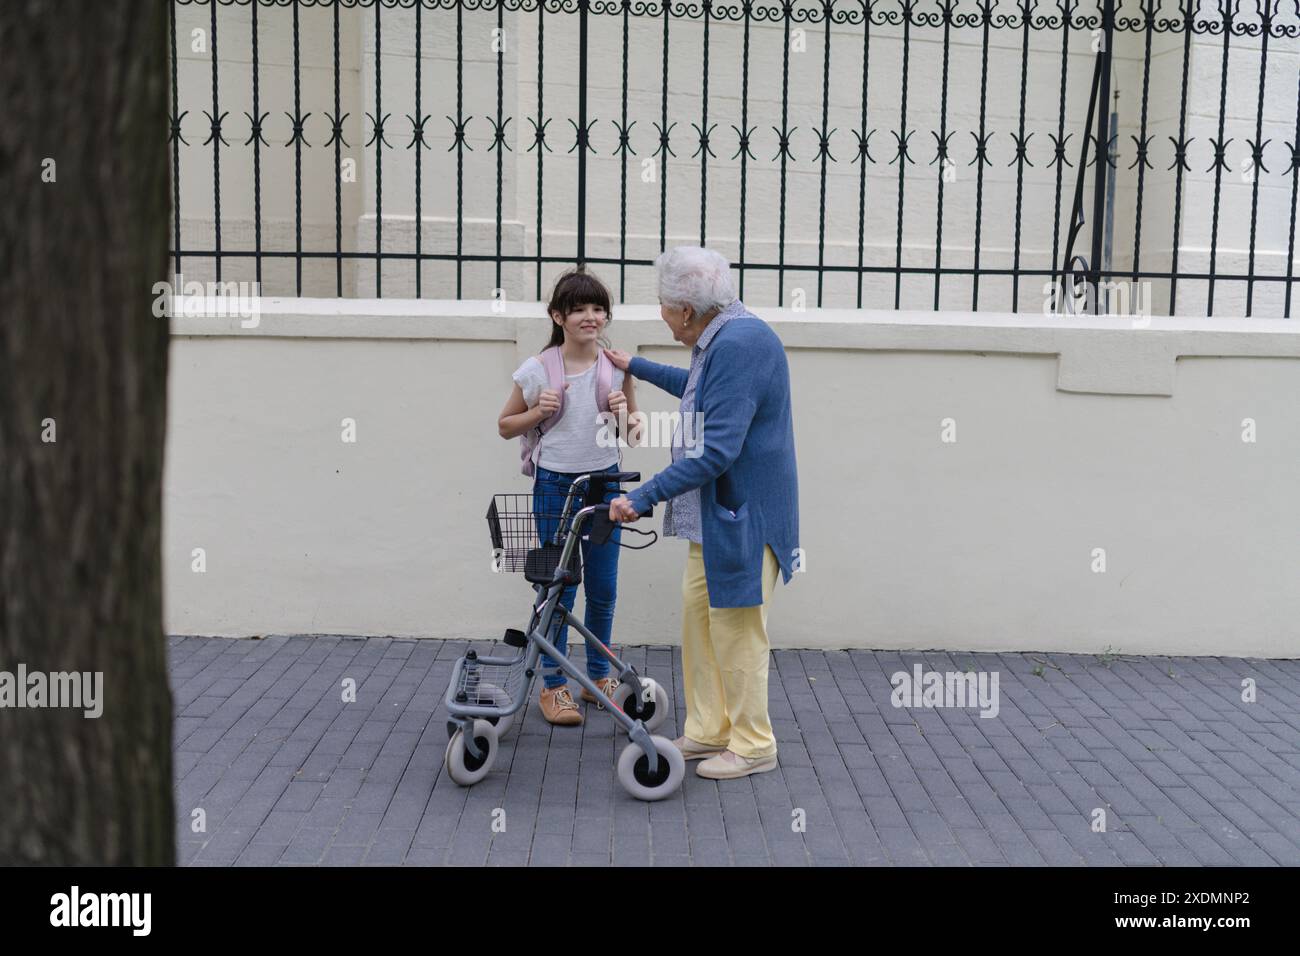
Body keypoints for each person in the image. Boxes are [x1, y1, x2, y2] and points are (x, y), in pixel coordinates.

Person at [605, 245, 799, 780]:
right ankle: (710, 729)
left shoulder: (741, 344)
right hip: (710, 519)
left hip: (743, 517)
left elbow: (717, 451)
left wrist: (642, 498)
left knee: (736, 631)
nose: (664, 319)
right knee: (700, 622)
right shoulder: (719, 336)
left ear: (686, 311)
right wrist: (635, 366)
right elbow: (698, 393)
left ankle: (754, 744)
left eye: (664, 308)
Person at [497, 267, 639, 726]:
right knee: (558, 589)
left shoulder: (617, 367)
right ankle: (554, 687)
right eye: (579, 309)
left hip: (605, 486)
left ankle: (598, 678)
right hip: (555, 487)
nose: (590, 317)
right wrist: (538, 410)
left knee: (604, 588)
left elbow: (635, 435)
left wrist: (622, 413)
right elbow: (505, 425)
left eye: (598, 309)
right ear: (558, 316)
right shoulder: (538, 369)